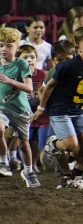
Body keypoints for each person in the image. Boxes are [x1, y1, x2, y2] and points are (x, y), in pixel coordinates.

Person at [34, 26, 83, 189]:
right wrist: (41, 108)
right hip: (60, 109)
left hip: (81, 109)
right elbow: (48, 87)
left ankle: (75, 177)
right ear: (78, 48)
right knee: (71, 145)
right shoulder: (67, 66)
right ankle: (52, 145)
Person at [0, 27, 40, 187]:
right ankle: (3, 162)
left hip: (21, 110)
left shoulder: (21, 64)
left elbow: (29, 88)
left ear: (17, 47)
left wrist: (10, 81)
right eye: (1, 45)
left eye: (9, 45)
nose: (4, 48)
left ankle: (28, 171)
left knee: (24, 143)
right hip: (2, 107)